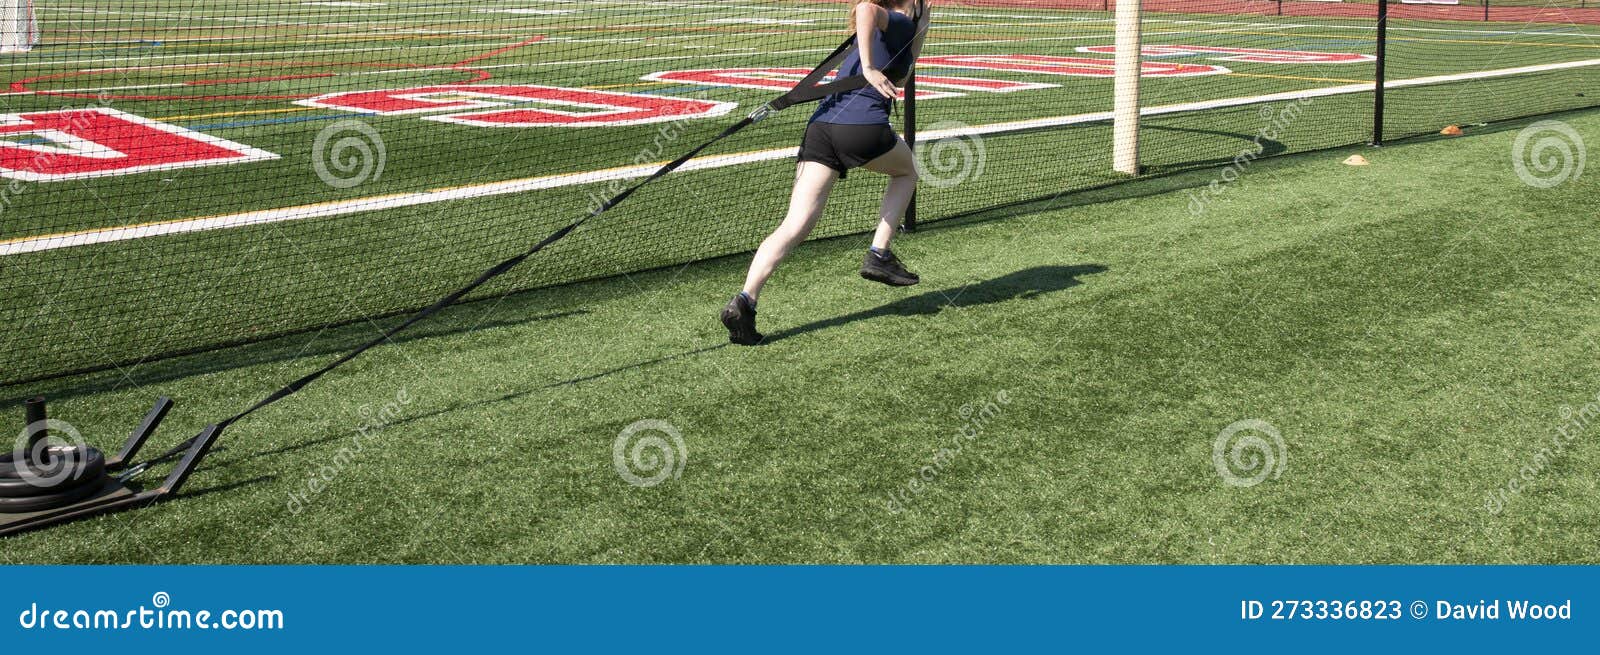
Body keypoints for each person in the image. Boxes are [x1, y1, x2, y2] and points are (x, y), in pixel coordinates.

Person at [720, 0, 929, 346]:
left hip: (821, 129)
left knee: (794, 225)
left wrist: (920, 29)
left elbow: (903, 76)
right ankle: (879, 253)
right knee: (907, 172)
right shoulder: (895, 21)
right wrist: (871, 68)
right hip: (860, 128)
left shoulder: (903, 31)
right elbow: (865, 8)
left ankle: (745, 301)